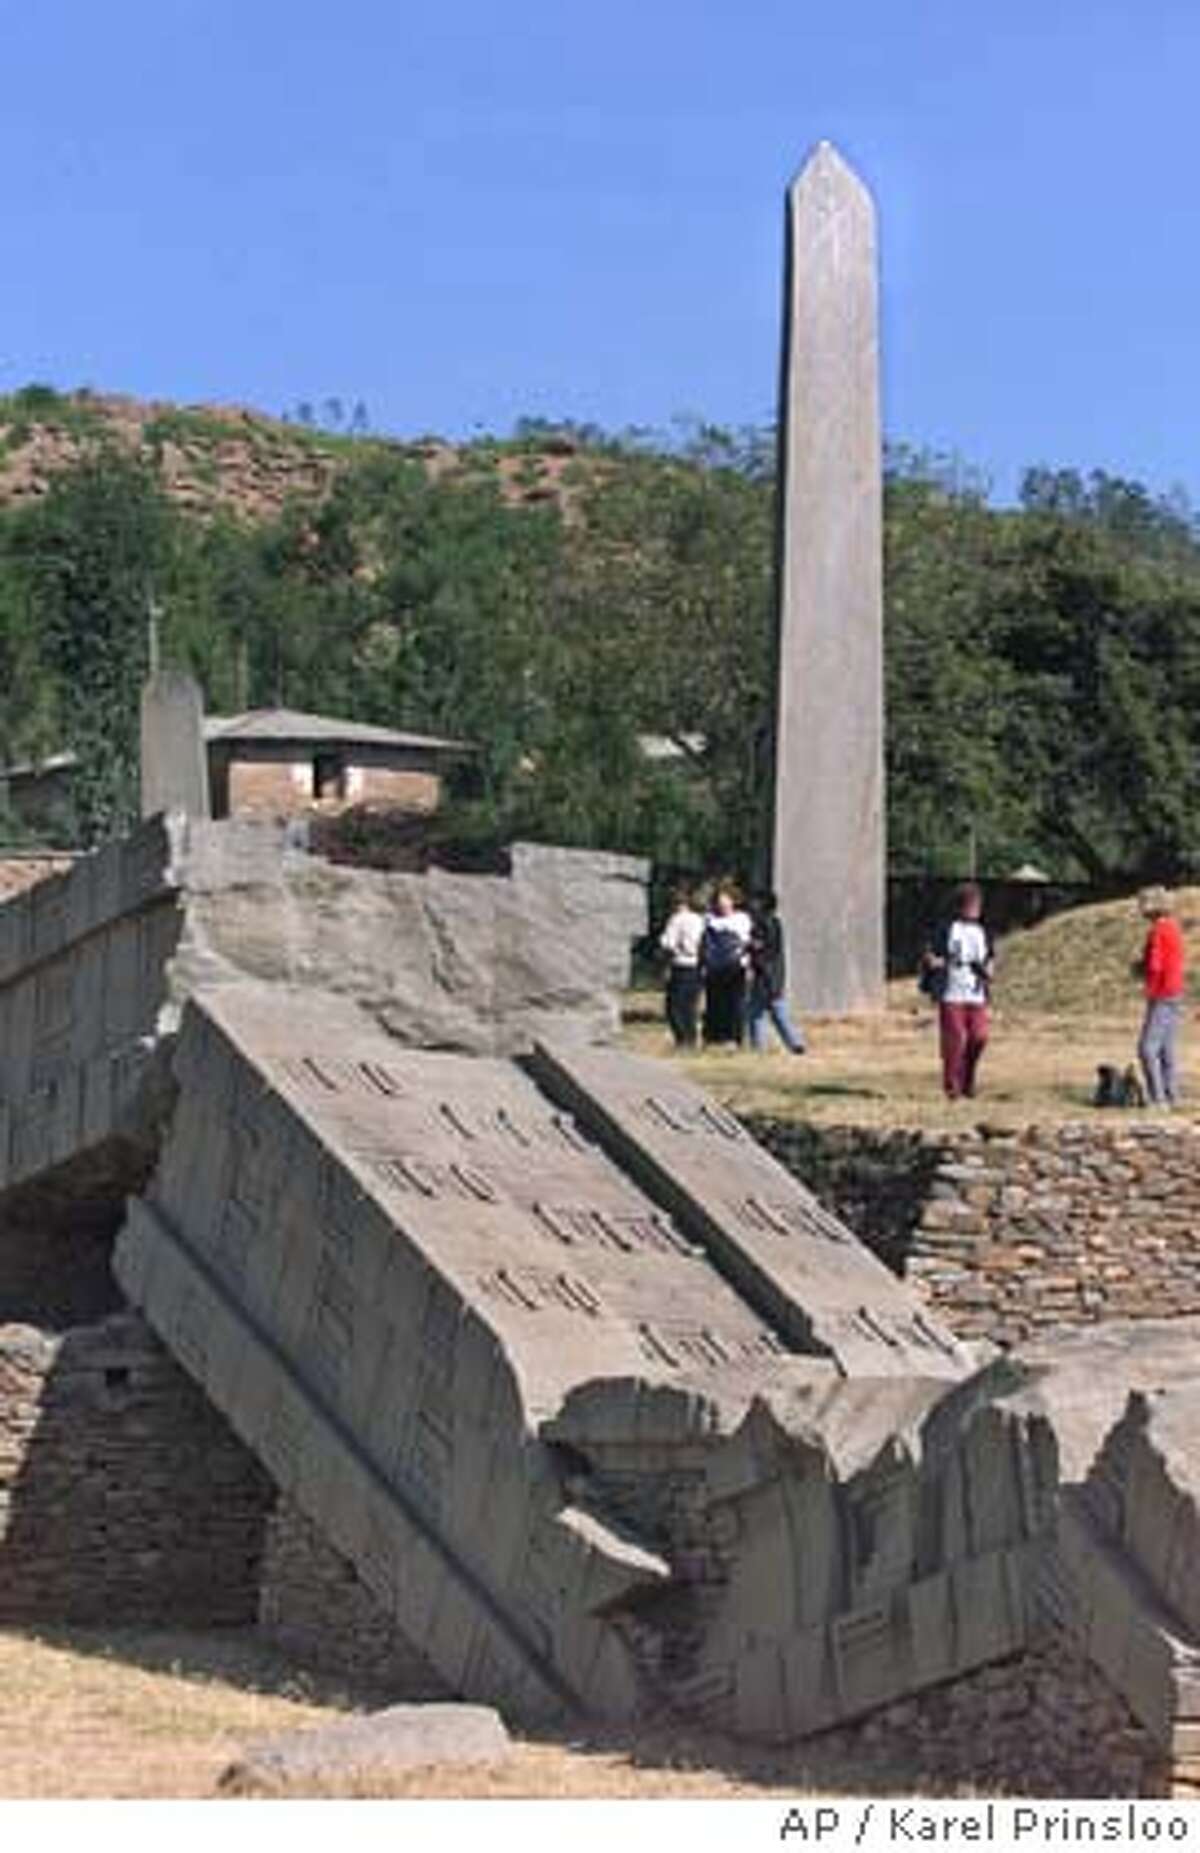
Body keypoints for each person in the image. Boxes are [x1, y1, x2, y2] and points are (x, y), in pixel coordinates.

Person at [921, 881, 995, 1100]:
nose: (975, 908)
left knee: (979, 1037)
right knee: (955, 1039)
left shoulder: (983, 931)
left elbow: (990, 957)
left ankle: (968, 1077)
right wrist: (935, 963)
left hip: (975, 993)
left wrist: (989, 972)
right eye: (971, 904)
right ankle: (952, 1085)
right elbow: (930, 953)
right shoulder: (947, 928)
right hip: (952, 991)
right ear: (961, 906)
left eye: (977, 904)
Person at [1135, 886, 1185, 1106]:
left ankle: (1158, 1098)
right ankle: (1171, 1095)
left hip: (1161, 993)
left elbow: (1155, 965)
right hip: (1175, 991)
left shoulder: (1157, 931)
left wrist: (1140, 969)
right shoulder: (1173, 927)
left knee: (1147, 1048)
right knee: (1166, 1048)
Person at [746, 891, 807, 1054]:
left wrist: (751, 948)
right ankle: (794, 1043)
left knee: (761, 1011)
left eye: (756, 902)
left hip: (766, 974)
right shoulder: (774, 922)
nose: (752, 905)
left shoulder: (763, 924)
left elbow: (762, 949)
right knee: (770, 1010)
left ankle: (762, 1046)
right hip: (773, 974)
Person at [700, 883, 752, 1045]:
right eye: (719, 900)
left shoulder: (741, 919)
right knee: (715, 1003)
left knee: (734, 1003)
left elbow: (746, 942)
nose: (722, 904)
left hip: (735, 968)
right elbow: (704, 944)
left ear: (733, 901)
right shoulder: (709, 920)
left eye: (726, 900)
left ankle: (733, 1037)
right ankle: (714, 1037)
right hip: (714, 968)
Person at [658, 886, 705, 1049]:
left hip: (681, 964)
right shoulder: (699, 919)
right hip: (697, 965)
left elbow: (668, 943)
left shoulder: (676, 919)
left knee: (674, 1006)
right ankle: (691, 1038)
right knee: (690, 1006)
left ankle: (682, 1039)